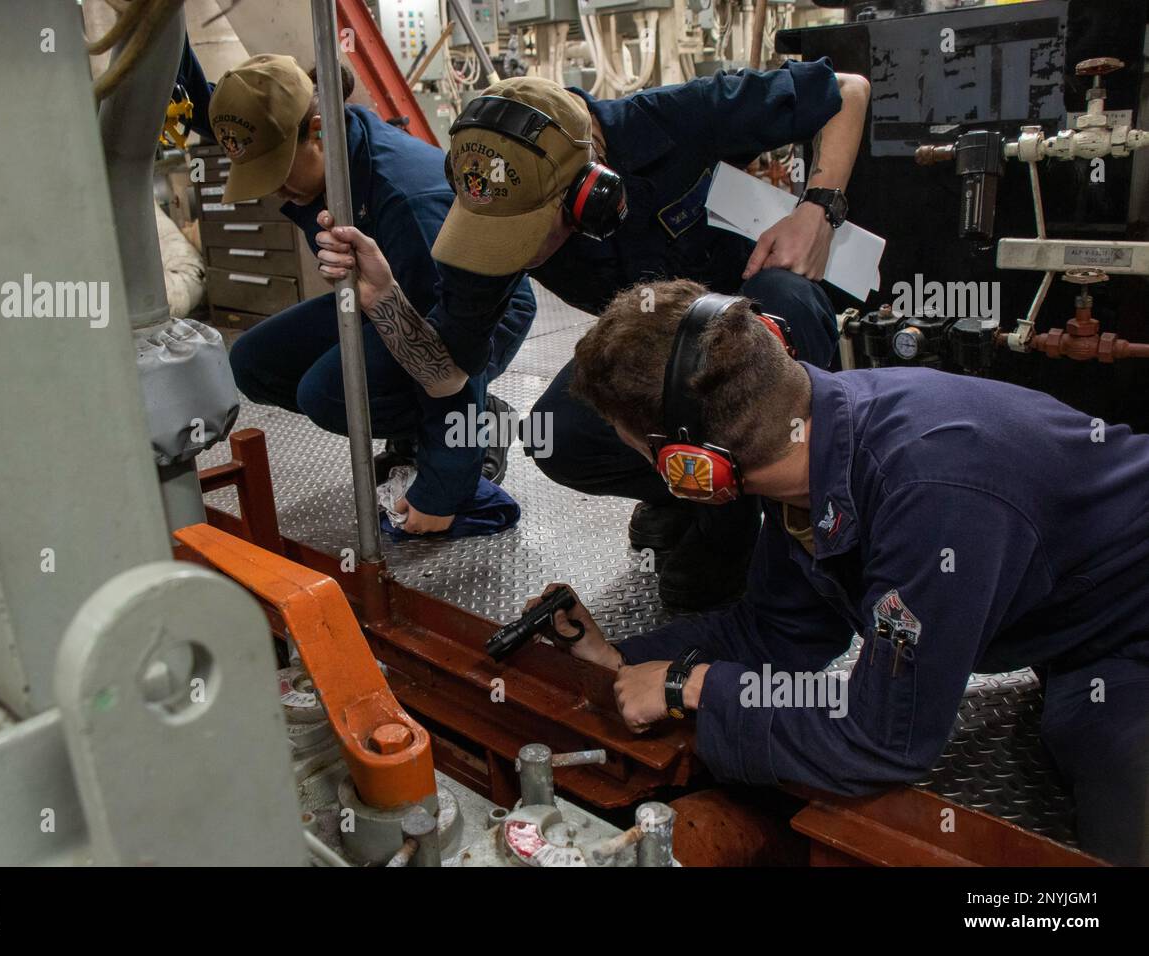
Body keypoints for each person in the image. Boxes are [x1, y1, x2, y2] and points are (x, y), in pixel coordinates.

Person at [528, 278, 1149, 866]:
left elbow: (883, 742)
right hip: (1079, 634)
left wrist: (691, 687)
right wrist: (620, 660)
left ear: (692, 465)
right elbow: (778, 632)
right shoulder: (815, 442)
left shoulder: (931, 495)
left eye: (633, 448)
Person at [415, 63, 870, 607]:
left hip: (755, 312)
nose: (514, 254)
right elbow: (452, 362)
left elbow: (847, 91)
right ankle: (700, 497)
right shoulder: (492, 205)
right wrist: (384, 300)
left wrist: (819, 209)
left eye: (528, 234)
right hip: (658, 346)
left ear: (590, 192)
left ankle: (788, 519)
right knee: (558, 434)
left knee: (787, 302)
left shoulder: (674, 117)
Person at [195, 55, 537, 533]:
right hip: (385, 292)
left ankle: (480, 427)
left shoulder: (407, 201)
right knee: (255, 361)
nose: (274, 191)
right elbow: (211, 108)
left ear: (317, 130)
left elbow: (447, 351)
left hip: (476, 313)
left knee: (329, 393)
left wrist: (442, 494)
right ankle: (416, 428)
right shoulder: (314, 153)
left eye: (278, 171)